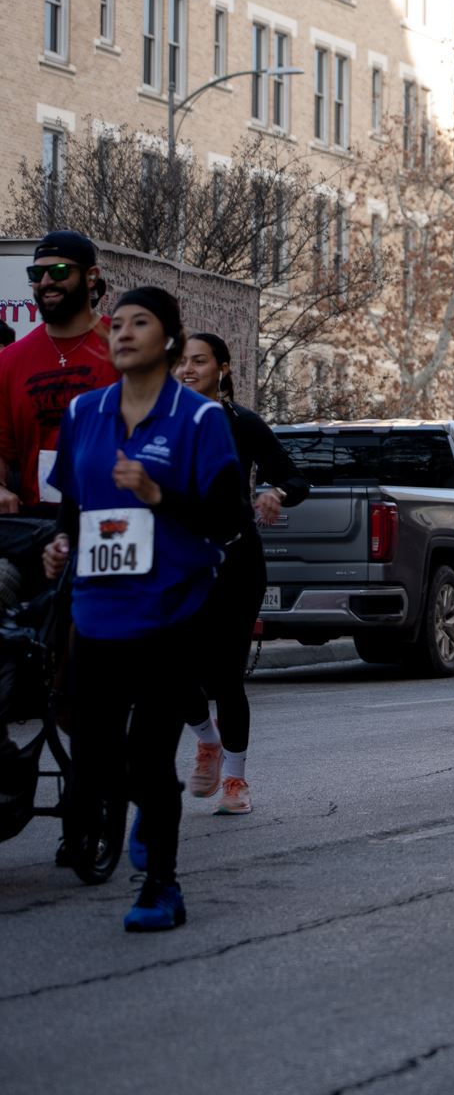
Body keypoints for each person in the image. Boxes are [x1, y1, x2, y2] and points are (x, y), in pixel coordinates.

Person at [44, 286, 248, 931]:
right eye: (119, 324)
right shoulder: (84, 412)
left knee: (151, 761)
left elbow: (227, 521)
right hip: (97, 614)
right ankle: (133, 812)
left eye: (142, 323)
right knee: (95, 763)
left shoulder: (197, 420)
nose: (125, 332)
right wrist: (61, 544)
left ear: (168, 340)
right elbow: (74, 505)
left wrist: (160, 495)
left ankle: (161, 885)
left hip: (172, 614)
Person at [171, 332, 311, 816]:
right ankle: (206, 739)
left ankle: (235, 780)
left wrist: (275, 492)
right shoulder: (159, 423)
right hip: (176, 563)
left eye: (200, 361)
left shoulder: (242, 424)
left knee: (225, 675)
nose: (188, 370)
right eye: (182, 362)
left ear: (223, 369)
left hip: (236, 562)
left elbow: (296, 478)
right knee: (172, 668)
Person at [0, 232, 118, 513]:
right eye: (37, 273)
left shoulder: (126, 348)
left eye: (60, 271)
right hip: (39, 524)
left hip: (117, 519)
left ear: (91, 277)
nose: (46, 281)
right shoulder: (11, 360)